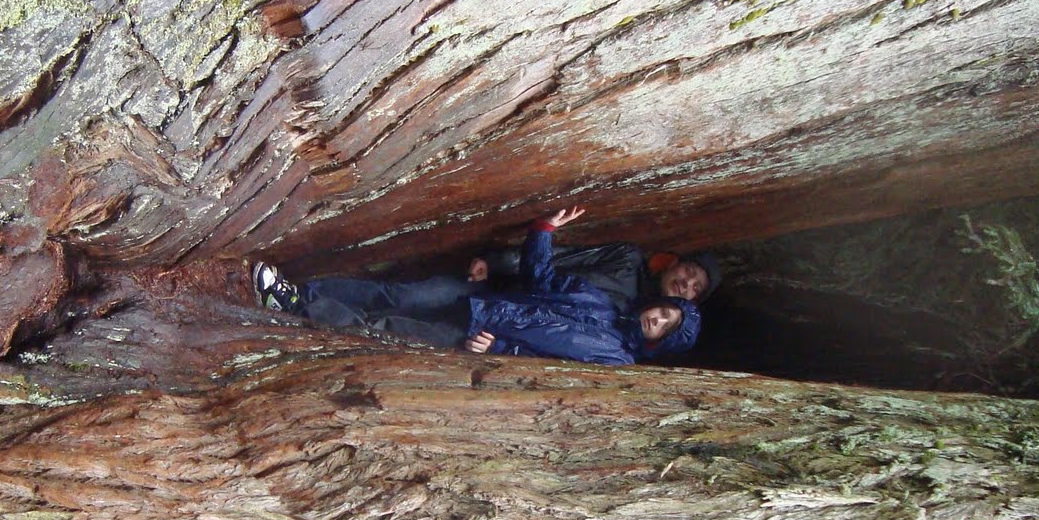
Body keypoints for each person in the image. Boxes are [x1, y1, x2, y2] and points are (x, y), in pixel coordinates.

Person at [250, 205, 700, 365]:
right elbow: (541, 278)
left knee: (384, 325)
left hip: (479, 337)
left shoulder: (614, 357)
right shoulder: (602, 306)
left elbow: (551, 364)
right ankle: (304, 290)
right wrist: (543, 231)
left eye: (664, 326)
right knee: (400, 295)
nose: (657, 318)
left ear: (659, 342)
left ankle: (291, 307)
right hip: (484, 299)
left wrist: (500, 351)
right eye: (665, 311)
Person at [468, 242, 721, 307]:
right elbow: (560, 255)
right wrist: (496, 263)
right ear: (671, 264)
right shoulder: (627, 259)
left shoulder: (643, 330)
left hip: (494, 329)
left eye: (696, 288)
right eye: (689, 271)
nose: (687, 283)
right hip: (495, 286)